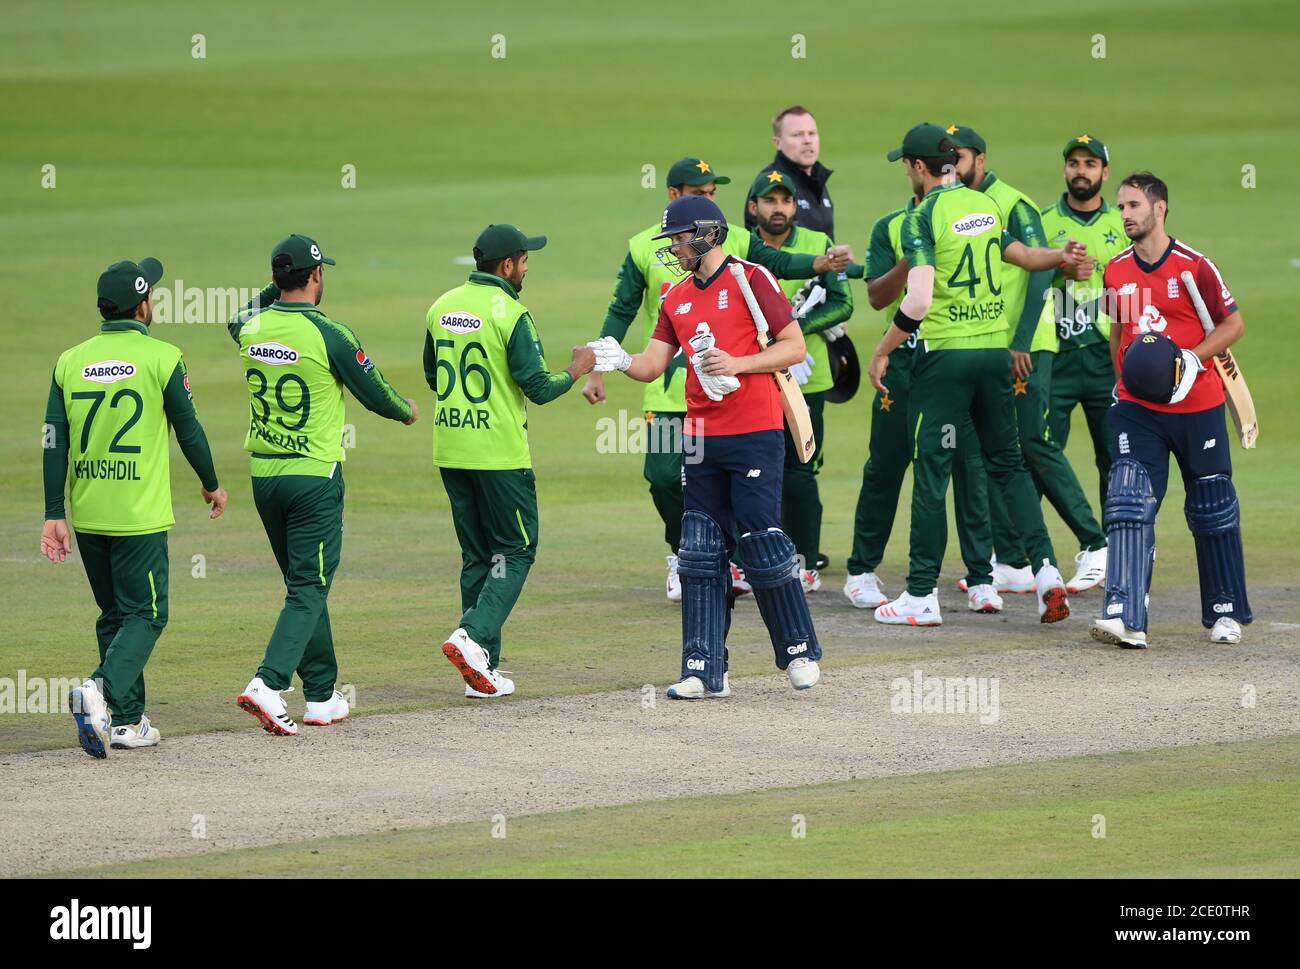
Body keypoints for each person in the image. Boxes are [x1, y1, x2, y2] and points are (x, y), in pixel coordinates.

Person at [582, 156, 850, 601]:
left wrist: (821, 263)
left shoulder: (741, 252)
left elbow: (779, 269)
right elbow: (628, 322)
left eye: (712, 193)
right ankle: (686, 560)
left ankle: (748, 579)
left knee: (748, 510)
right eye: (698, 193)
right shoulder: (648, 255)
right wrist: (606, 361)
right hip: (673, 395)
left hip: (741, 408)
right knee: (667, 481)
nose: (708, 200)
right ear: (674, 195)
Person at [588, 195, 822, 697]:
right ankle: (703, 668)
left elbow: (794, 346)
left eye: (678, 238)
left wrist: (736, 364)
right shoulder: (674, 296)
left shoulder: (751, 279)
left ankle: (798, 652)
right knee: (698, 550)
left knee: (761, 542)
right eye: (671, 240)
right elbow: (653, 364)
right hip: (699, 436)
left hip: (755, 431)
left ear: (708, 234)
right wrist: (617, 359)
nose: (673, 247)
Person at [868, 123, 1085, 627]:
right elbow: (1026, 258)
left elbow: (918, 300)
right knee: (1007, 466)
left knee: (931, 471)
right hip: (993, 356)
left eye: (906, 165)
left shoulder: (920, 218)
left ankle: (921, 595)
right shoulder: (985, 206)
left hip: (946, 360)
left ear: (919, 168)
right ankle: (1048, 573)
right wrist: (1061, 255)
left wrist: (883, 349)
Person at [229, 234, 418, 735]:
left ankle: (320, 695)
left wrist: (276, 290)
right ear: (316, 276)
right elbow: (375, 393)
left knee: (302, 586)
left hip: (265, 476)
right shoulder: (330, 333)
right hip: (313, 477)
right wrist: (406, 412)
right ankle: (268, 684)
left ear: (275, 280)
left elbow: (239, 313)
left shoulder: (251, 327)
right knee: (309, 586)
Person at [42, 257, 227, 758]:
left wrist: (52, 512)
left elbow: (53, 440)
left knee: (114, 614)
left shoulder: (68, 360)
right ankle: (99, 691)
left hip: (89, 512)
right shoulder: (163, 357)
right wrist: (211, 484)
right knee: (146, 614)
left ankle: (125, 722)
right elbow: (188, 428)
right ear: (143, 305)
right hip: (138, 515)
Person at [429, 225, 595, 697]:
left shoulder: (441, 306)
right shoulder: (512, 313)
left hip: (451, 449)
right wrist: (576, 369)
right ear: (506, 266)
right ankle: (472, 636)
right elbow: (539, 389)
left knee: (478, 555)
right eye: (523, 260)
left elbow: (430, 373)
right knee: (516, 551)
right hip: (499, 454)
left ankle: (481, 671)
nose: (526, 268)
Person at [1091, 172, 1250, 649]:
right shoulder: (1115, 269)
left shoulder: (1195, 267)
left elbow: (1234, 324)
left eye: (1133, 206)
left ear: (1159, 209)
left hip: (1198, 404)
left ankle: (1225, 611)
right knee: (1128, 498)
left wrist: (1191, 359)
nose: (1125, 215)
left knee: (1212, 504)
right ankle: (1125, 614)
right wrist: (1122, 384)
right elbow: (1118, 333)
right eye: (1120, 207)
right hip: (1138, 409)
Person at [949, 125, 1109, 597]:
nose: (951, 169)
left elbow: (1041, 271)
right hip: (993, 343)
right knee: (1004, 451)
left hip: (1029, 342)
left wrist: (1020, 339)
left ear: (980, 158)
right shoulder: (960, 204)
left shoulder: (1013, 204)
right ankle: (1015, 559)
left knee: (1035, 444)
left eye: (958, 158)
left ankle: (1095, 543)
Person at [843, 189, 999, 614]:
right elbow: (876, 296)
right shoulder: (890, 225)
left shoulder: (969, 222)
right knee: (886, 466)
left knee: (967, 464)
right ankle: (860, 571)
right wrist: (912, 257)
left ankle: (982, 577)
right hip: (902, 364)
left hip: (947, 363)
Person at [747, 170, 854, 593]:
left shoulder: (818, 245)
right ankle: (752, 557)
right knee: (753, 468)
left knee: (801, 469)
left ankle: (804, 559)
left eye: (786, 201)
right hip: (752, 375)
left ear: (795, 207)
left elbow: (843, 303)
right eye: (769, 201)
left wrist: (793, 328)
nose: (778, 209)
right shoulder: (740, 247)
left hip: (807, 377)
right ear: (753, 207)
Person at [1040, 135, 1129, 579]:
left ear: (1104, 173)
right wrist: (1060, 269)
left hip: (1102, 355)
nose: (1081, 171)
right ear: (1064, 170)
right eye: (1073, 162)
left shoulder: (1121, 224)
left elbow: (1130, 295)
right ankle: (1021, 556)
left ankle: (1112, 551)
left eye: (1090, 164)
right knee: (1038, 450)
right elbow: (1027, 285)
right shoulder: (1043, 223)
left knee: (1112, 457)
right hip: (1055, 356)